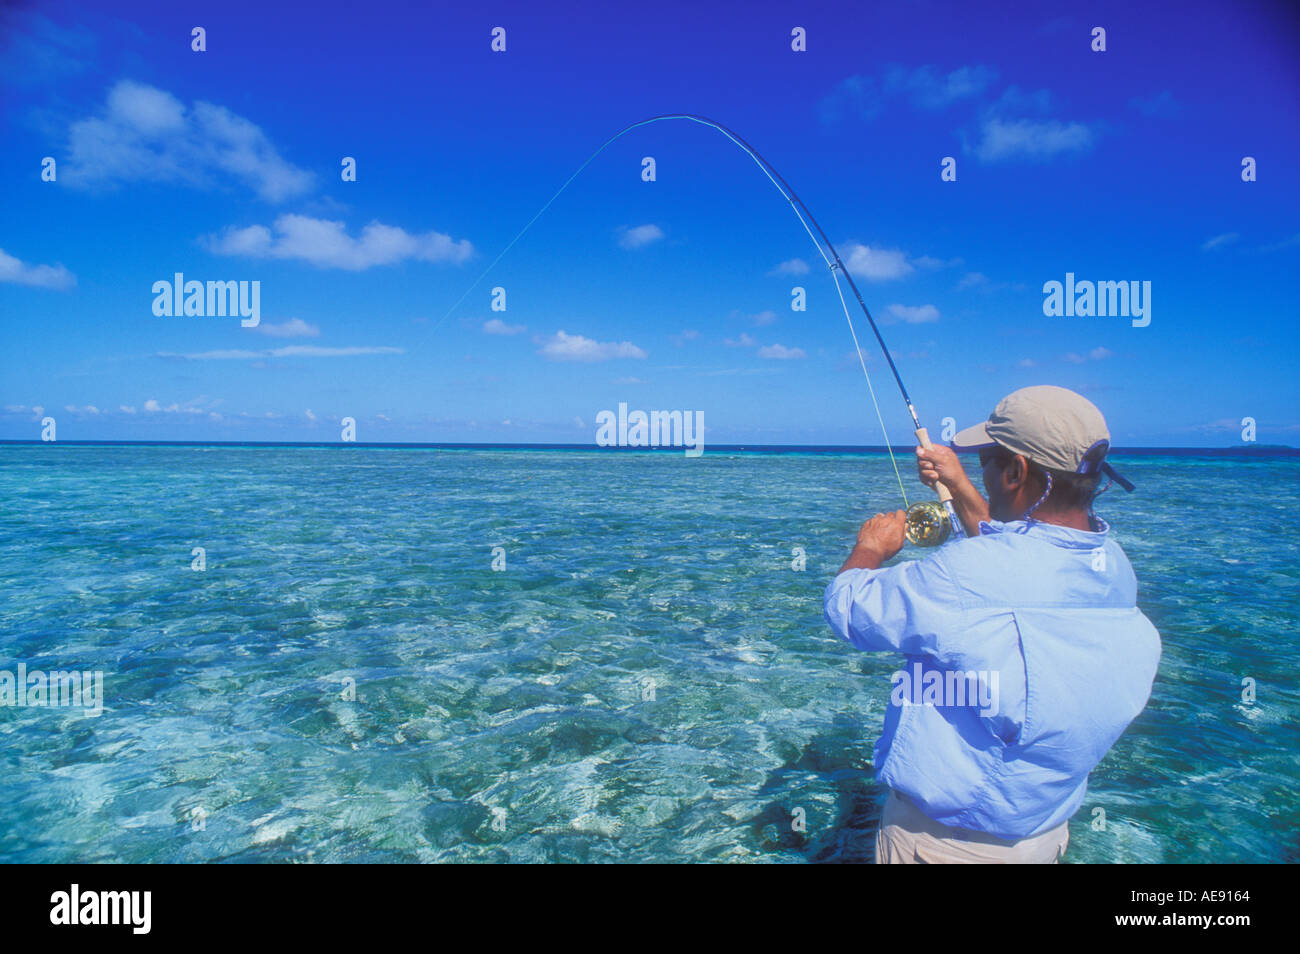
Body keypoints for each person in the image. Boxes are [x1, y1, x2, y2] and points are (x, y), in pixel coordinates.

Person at [823, 385, 1161, 863]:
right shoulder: (1112, 565)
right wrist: (960, 486)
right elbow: (1015, 563)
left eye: (986, 460)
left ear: (1017, 470)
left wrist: (871, 549)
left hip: (943, 847)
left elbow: (849, 610)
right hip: (1043, 835)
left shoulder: (968, 575)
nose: (981, 471)